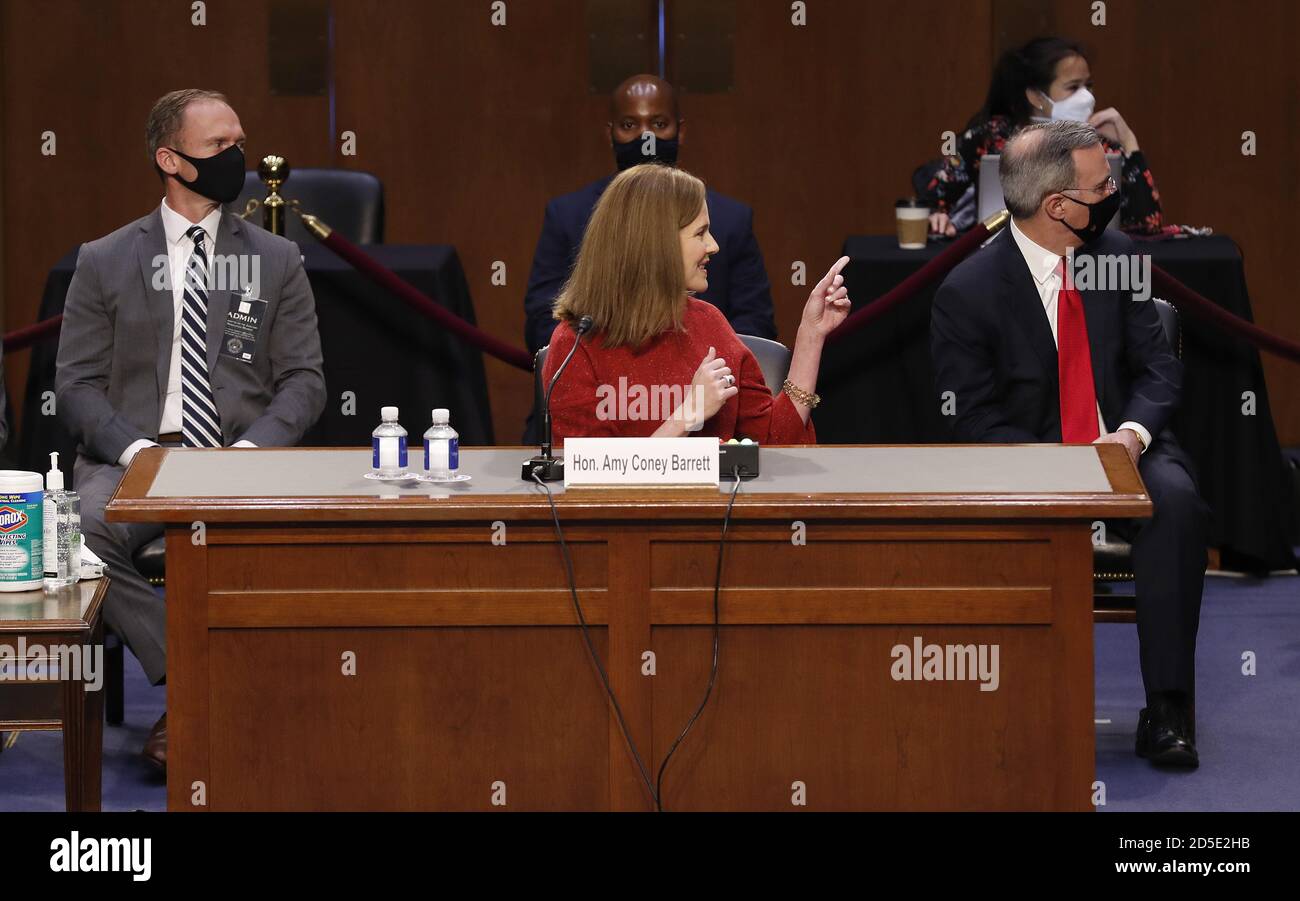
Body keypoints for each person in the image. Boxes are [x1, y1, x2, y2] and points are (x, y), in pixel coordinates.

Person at [56, 89, 326, 771]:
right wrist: (139, 450)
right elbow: (75, 386)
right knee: (79, 532)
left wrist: (247, 452)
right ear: (169, 159)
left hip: (240, 455)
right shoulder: (105, 258)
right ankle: (198, 682)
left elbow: (305, 382)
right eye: (219, 148)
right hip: (136, 456)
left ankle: (288, 704)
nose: (237, 157)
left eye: (239, 141)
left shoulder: (277, 259)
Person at [930, 120, 1208, 768]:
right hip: (1029, 458)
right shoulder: (966, 293)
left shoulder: (1116, 257)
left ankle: (1168, 706)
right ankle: (1013, 710)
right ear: (1059, 205)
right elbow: (967, 416)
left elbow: (1160, 369)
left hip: (1127, 446)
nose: (1115, 191)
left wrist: (1131, 436)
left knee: (1176, 499)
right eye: (1103, 184)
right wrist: (1059, 465)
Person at [543, 164, 848, 445]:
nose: (713, 245)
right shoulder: (576, 344)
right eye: (700, 233)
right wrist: (687, 415)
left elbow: (776, 443)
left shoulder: (708, 323)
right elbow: (591, 482)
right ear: (658, 245)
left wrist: (811, 335)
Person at [524, 73, 776, 360]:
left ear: (680, 132)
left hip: (705, 383)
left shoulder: (732, 220)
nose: (646, 138)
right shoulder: (567, 216)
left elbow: (756, 327)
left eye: (658, 124)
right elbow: (542, 324)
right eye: (630, 125)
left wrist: (688, 371)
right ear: (610, 134)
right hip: (601, 387)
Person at [922, 36, 1162, 236]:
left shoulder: (1097, 143)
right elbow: (933, 201)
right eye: (1073, 87)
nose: (1087, 97)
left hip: (1086, 267)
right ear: (1036, 97)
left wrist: (1129, 143)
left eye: (1088, 86)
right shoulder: (991, 136)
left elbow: (1148, 225)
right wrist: (937, 217)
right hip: (1002, 264)